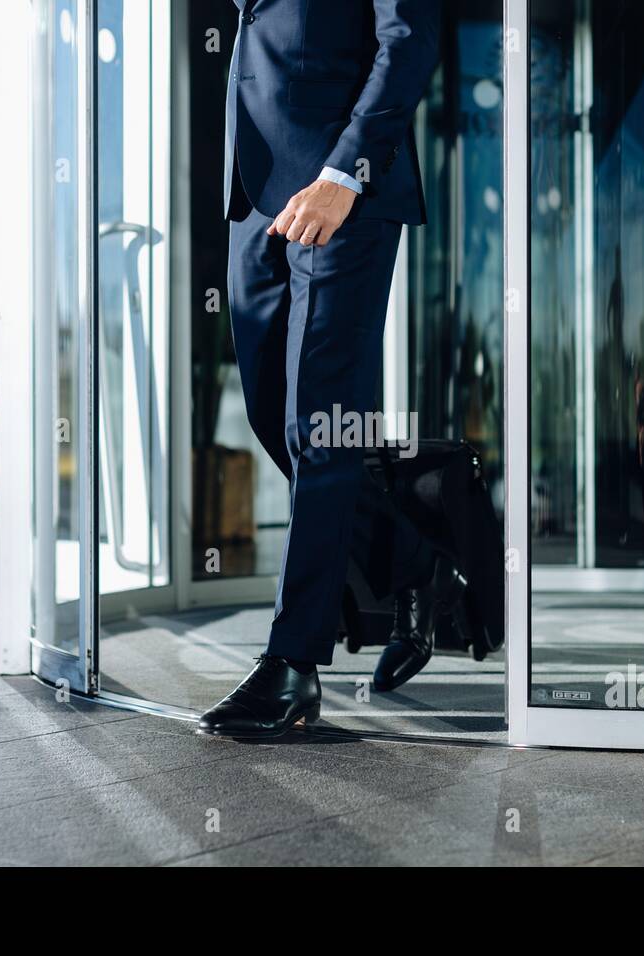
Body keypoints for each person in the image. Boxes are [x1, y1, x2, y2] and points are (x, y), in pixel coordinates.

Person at [198, 0, 443, 738]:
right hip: (256, 194)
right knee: (275, 417)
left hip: (344, 192)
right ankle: (413, 564)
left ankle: (294, 663)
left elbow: (408, 37)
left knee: (322, 427)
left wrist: (346, 172)